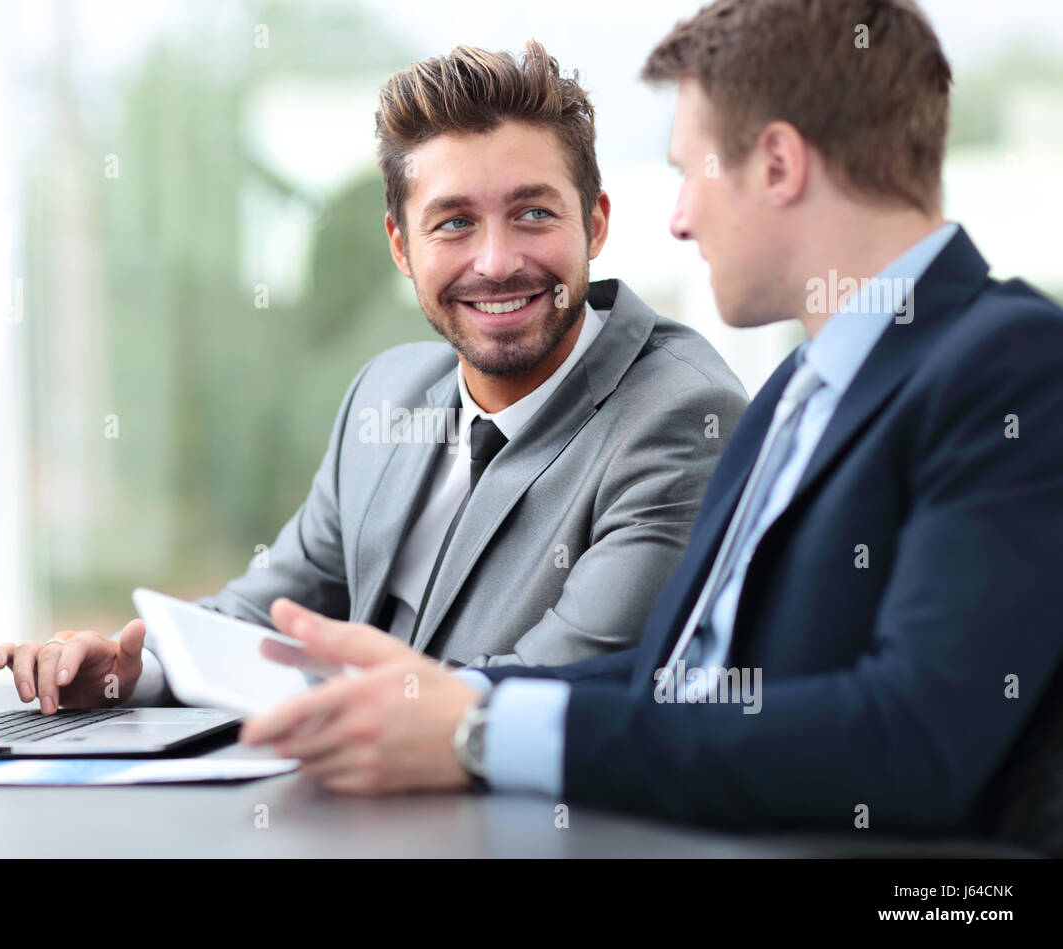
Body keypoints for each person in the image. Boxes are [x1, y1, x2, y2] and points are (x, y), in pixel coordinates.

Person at [240, 0, 1063, 852]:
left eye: (689, 171)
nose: (679, 217)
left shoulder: (1013, 367)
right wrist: (462, 703)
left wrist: (479, 730)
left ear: (778, 164)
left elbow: (911, 737)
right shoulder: (796, 392)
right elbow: (677, 682)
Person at [0, 42, 747, 714]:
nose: (495, 261)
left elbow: (565, 680)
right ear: (400, 245)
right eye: (453, 223)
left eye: (533, 214)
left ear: (596, 222)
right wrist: (135, 668)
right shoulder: (385, 396)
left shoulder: (680, 414)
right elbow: (269, 610)